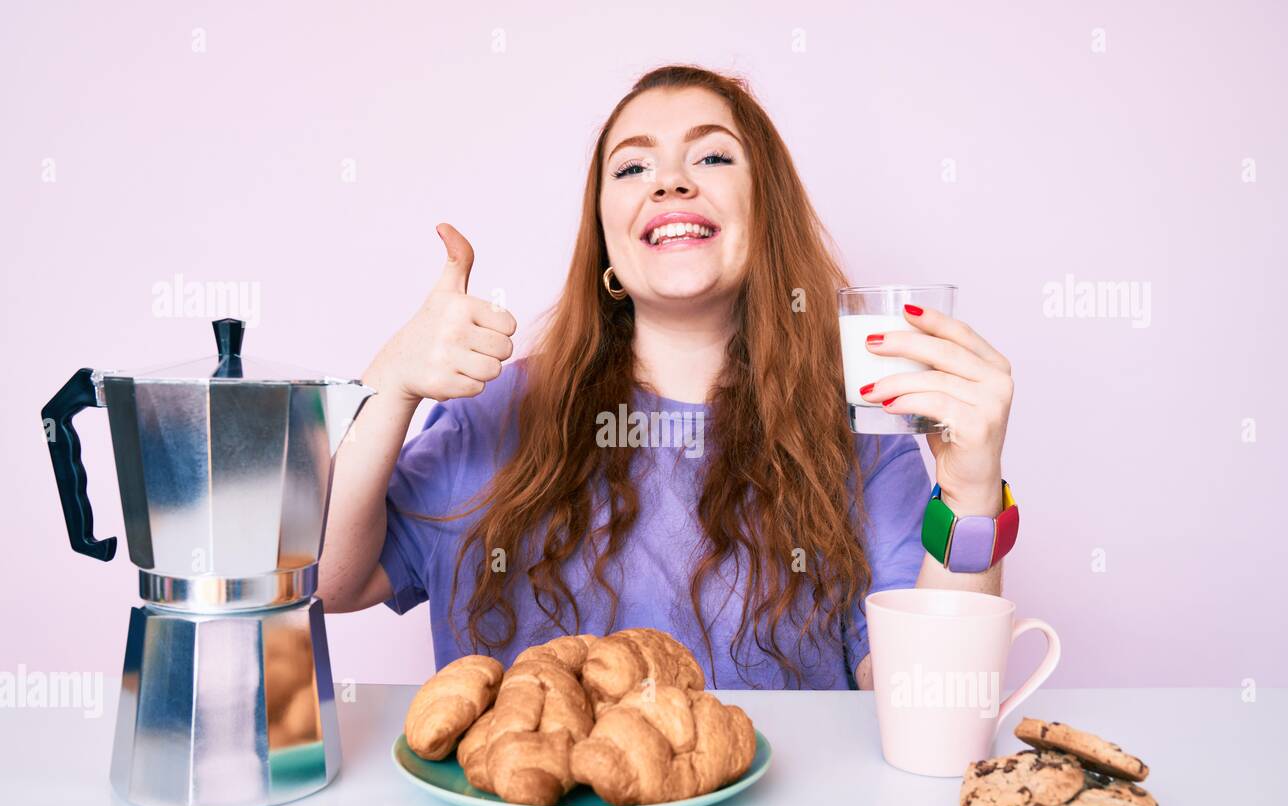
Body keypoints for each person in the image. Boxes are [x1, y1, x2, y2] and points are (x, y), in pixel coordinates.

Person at [317, 64, 1014, 691]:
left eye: (712, 156)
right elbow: (329, 579)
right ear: (609, 245)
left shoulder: (860, 431)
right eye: (631, 169)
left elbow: (928, 696)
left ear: (764, 215)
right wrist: (392, 380)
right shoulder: (499, 410)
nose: (670, 182)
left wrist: (974, 492)